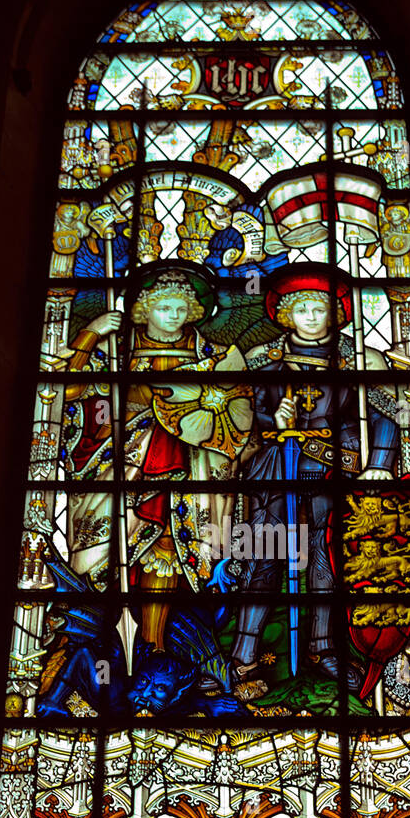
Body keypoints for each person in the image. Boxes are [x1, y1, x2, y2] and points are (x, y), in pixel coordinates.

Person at [57, 264, 252, 651]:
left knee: (170, 547)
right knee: (116, 544)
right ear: (144, 309)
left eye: (182, 307)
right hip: (122, 458)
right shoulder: (118, 353)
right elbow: (68, 391)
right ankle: (94, 642)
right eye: (164, 307)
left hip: (193, 464)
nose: (174, 315)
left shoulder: (213, 357)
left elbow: (235, 414)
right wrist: (92, 333)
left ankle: (153, 645)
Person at [231, 269, 404, 695]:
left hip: (332, 474)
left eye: (320, 307)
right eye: (301, 308)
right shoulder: (262, 364)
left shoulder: (356, 359)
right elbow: (235, 419)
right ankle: (243, 658)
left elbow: (387, 414)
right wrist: (273, 420)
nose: (311, 315)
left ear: (336, 313)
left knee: (326, 562)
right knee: (263, 560)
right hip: (275, 473)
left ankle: (322, 648)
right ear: (286, 315)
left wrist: (379, 463)